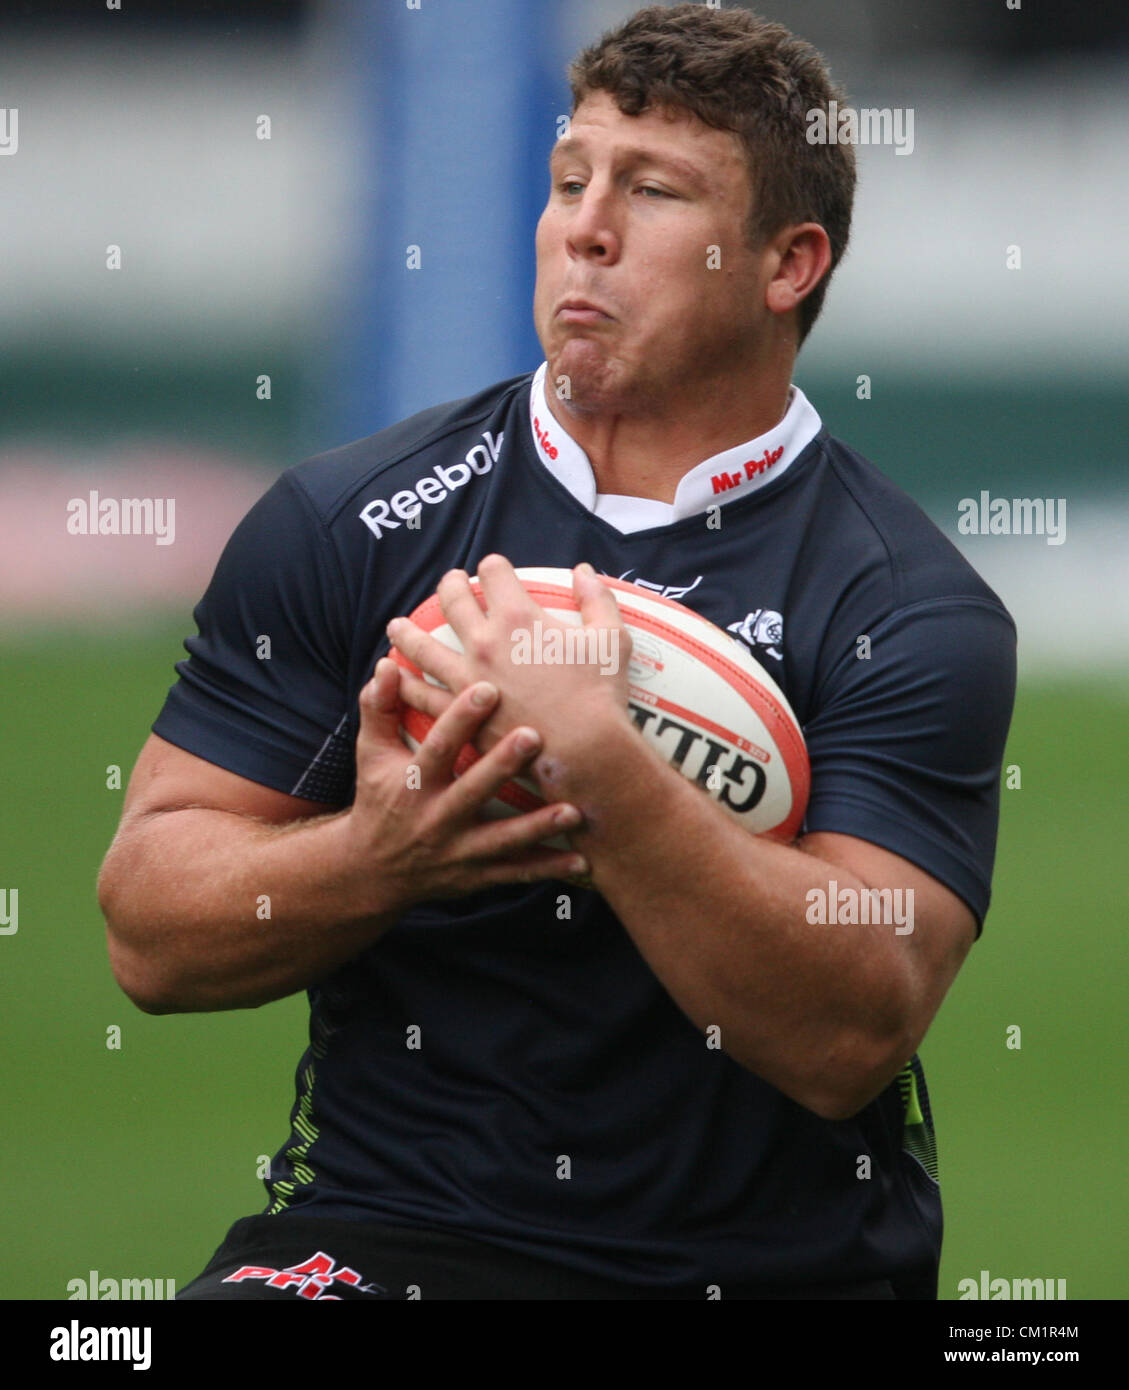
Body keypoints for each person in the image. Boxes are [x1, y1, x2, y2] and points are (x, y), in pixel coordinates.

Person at [98, 4, 1015, 1300]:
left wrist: (599, 760)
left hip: (762, 1271)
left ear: (785, 262)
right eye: (567, 177)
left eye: (652, 191)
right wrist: (378, 853)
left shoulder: (906, 606)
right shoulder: (356, 520)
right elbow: (149, 928)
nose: (584, 227)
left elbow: (849, 1024)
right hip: (391, 1234)